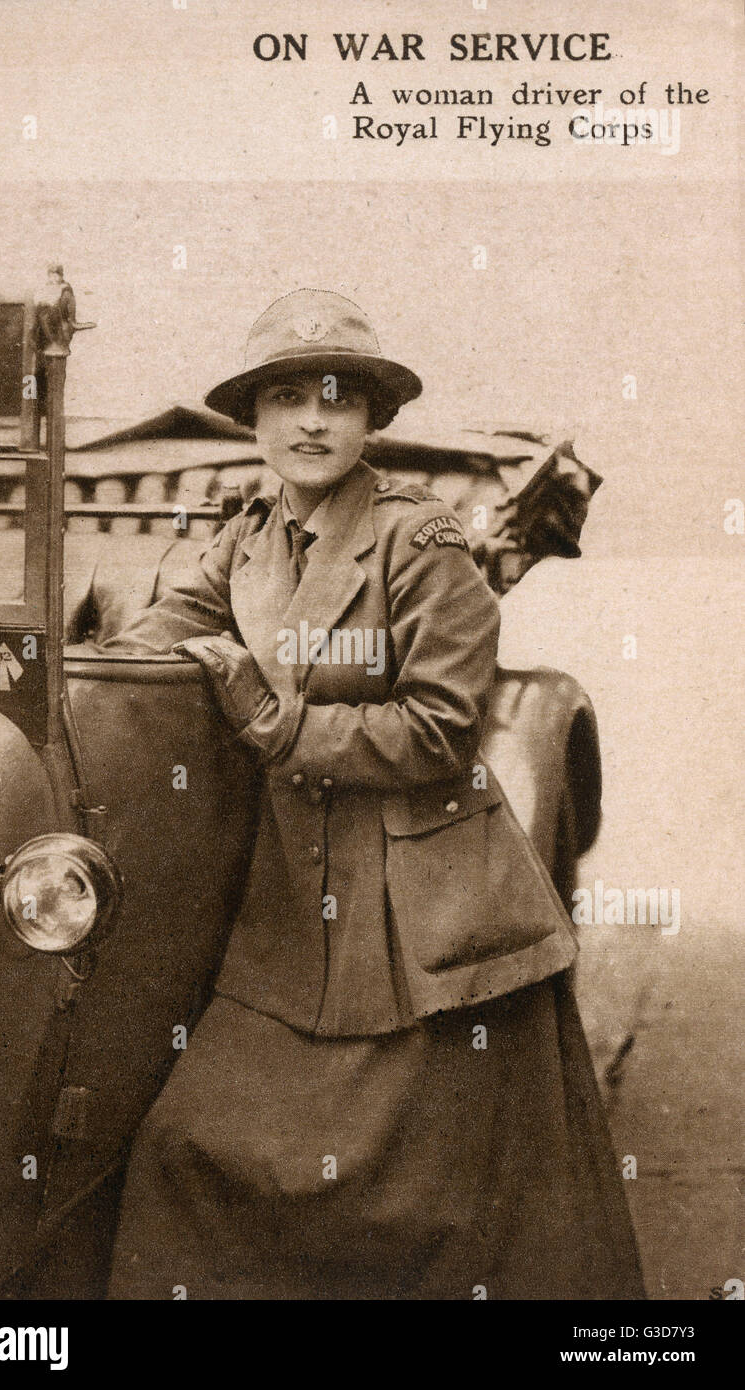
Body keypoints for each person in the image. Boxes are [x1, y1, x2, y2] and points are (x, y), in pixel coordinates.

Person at [103, 289, 645, 1300]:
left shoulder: (424, 541)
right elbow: (162, 631)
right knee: (191, 1146)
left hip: (422, 917)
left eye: (338, 398)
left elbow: (443, 729)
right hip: (288, 915)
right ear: (254, 419)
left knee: (438, 1207)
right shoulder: (248, 538)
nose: (312, 418)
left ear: (369, 421)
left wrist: (276, 724)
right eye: (286, 396)